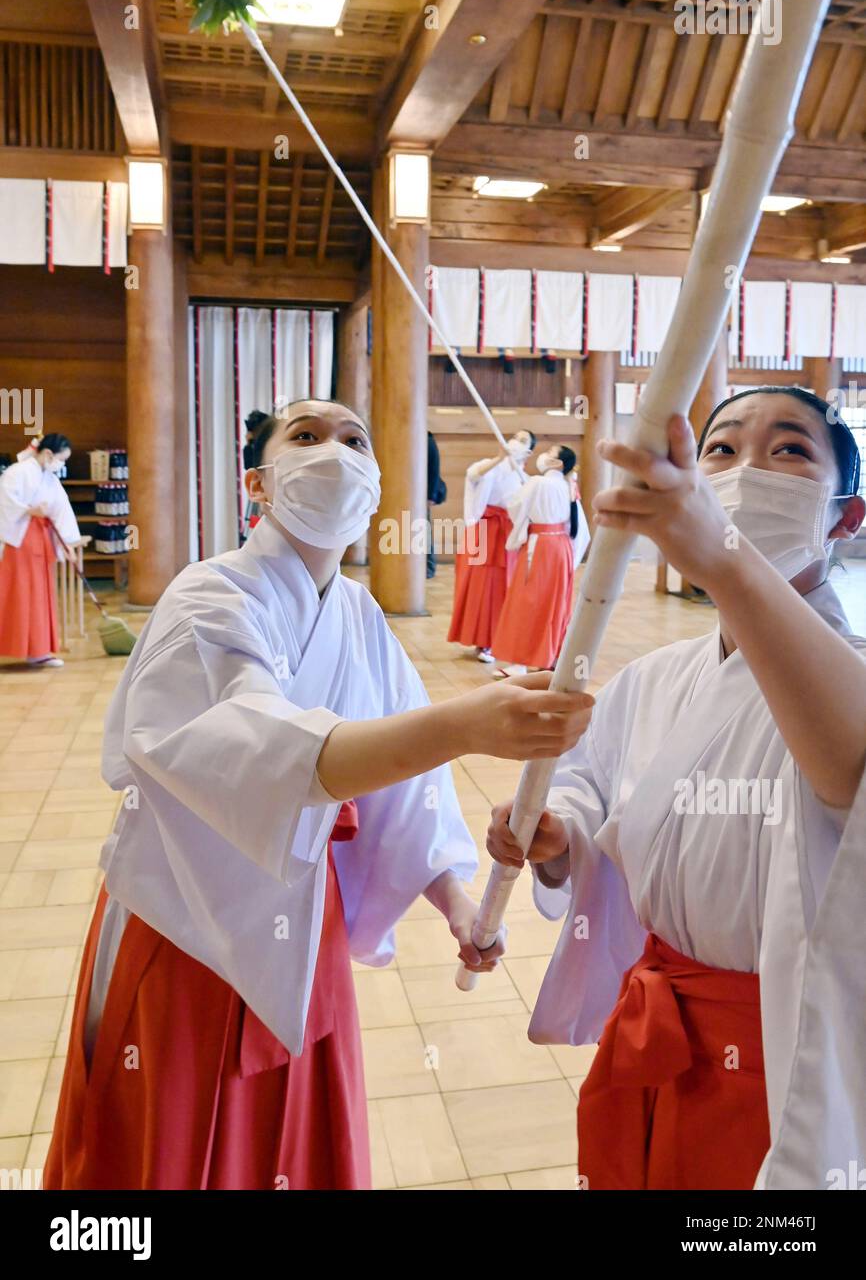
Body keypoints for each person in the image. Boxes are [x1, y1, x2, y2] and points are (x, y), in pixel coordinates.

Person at [45, 397, 592, 1192]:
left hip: (308, 922)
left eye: (353, 440)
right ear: (257, 483)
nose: (334, 452)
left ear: (374, 483)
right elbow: (249, 741)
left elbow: (404, 788)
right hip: (184, 919)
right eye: (306, 437)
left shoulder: (359, 614)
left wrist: (457, 903)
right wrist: (463, 725)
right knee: (169, 1143)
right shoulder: (209, 593)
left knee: (293, 1144)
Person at [487, 387, 866, 1191]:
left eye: (790, 449)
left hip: (788, 1050)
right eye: (721, 449)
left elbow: (851, 773)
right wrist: (562, 838)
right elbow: (595, 791)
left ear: (846, 515)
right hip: (662, 1029)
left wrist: (724, 557)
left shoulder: (849, 679)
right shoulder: (659, 678)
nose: (744, 470)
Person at [490, 444, 590, 674]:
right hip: (561, 548)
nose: (543, 456)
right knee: (554, 604)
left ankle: (521, 662)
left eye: (550, 453)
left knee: (528, 601)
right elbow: (580, 530)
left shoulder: (538, 483)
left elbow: (514, 506)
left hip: (541, 546)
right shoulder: (569, 487)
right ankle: (552, 655)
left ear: (557, 463)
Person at [448, 430, 534, 664]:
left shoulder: (524, 477)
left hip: (508, 534)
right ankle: (482, 641)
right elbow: (473, 475)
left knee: (503, 588)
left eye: (523, 441)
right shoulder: (490, 465)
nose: (517, 442)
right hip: (485, 530)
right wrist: (498, 458)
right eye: (515, 437)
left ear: (529, 452)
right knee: (481, 586)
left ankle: (499, 640)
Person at [0, 433, 81, 668]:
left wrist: (68, 545)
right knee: (22, 593)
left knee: (40, 593)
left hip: (41, 538)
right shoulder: (17, 471)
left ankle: (39, 649)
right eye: (61, 459)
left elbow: (61, 509)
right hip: (21, 539)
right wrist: (28, 509)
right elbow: (5, 502)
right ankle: (28, 647)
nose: (61, 465)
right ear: (48, 454)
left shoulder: (49, 477)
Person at [242, 410, 269, 537]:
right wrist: (249, 445)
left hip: (266, 488)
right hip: (259, 488)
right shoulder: (253, 445)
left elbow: (254, 465)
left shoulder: (268, 445)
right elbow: (248, 466)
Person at [426, 430, 447, 579]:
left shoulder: (427, 440)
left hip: (423, 496)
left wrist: (430, 496)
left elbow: (434, 469)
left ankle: (429, 568)